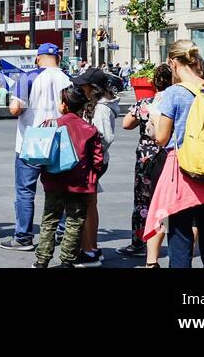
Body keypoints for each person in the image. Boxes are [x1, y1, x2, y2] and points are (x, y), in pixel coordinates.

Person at [143, 40, 204, 269]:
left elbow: (162, 138)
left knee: (180, 242)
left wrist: (154, 119)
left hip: (183, 172)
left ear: (173, 63)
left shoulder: (174, 93)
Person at [3, 42, 71, 252]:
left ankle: (23, 237)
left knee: (25, 190)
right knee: (59, 189)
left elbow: (15, 108)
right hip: (58, 139)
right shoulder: (68, 79)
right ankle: (61, 230)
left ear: (38, 58)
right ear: (58, 58)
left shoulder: (28, 76)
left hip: (31, 140)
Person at [33, 86, 106, 269]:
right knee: (74, 221)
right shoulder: (89, 129)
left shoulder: (50, 124)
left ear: (64, 105)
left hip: (53, 181)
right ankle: (67, 260)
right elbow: (98, 158)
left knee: (49, 220)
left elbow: (40, 152)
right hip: (79, 182)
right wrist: (93, 175)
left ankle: (42, 260)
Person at [119, 63, 172, 264]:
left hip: (146, 156)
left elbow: (126, 124)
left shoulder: (145, 103)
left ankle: (139, 241)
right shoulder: (175, 102)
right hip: (167, 154)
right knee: (165, 200)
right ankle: (165, 238)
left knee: (143, 200)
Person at [73, 68, 118, 267]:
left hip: (92, 160)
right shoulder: (98, 105)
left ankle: (89, 250)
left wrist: (86, 148)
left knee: (86, 205)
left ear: (93, 88)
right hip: (94, 159)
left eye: (83, 85)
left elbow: (104, 137)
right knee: (90, 204)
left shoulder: (101, 109)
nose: (79, 87)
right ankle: (92, 247)